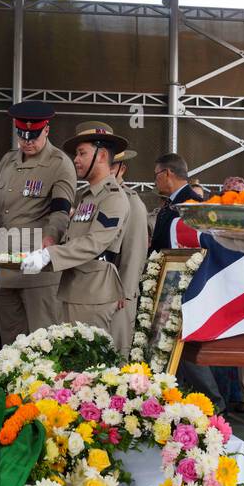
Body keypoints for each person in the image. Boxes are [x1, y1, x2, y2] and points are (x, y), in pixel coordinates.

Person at [22, 121, 130, 330]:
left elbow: (94, 242)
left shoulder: (113, 197)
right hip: (76, 288)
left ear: (101, 156)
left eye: (82, 153)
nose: (76, 160)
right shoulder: (87, 196)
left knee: (89, 361)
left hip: (93, 293)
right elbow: (73, 238)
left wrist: (50, 255)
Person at [0, 101, 77, 343]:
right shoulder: (7, 161)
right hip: (6, 269)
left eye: (34, 135)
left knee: (43, 346)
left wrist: (51, 238)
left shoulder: (60, 164)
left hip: (39, 270)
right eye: (22, 135)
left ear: (46, 129)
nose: (27, 141)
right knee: (11, 347)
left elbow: (60, 212)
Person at [110, 148, 149, 354]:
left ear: (122, 169)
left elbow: (135, 252)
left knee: (115, 356)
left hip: (117, 295)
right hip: (91, 292)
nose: (106, 169)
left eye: (112, 166)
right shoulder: (87, 197)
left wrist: (124, 292)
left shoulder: (131, 202)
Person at [150, 153, 203, 251]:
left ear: (167, 173)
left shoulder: (193, 204)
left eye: (156, 175)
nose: (154, 181)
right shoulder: (170, 203)